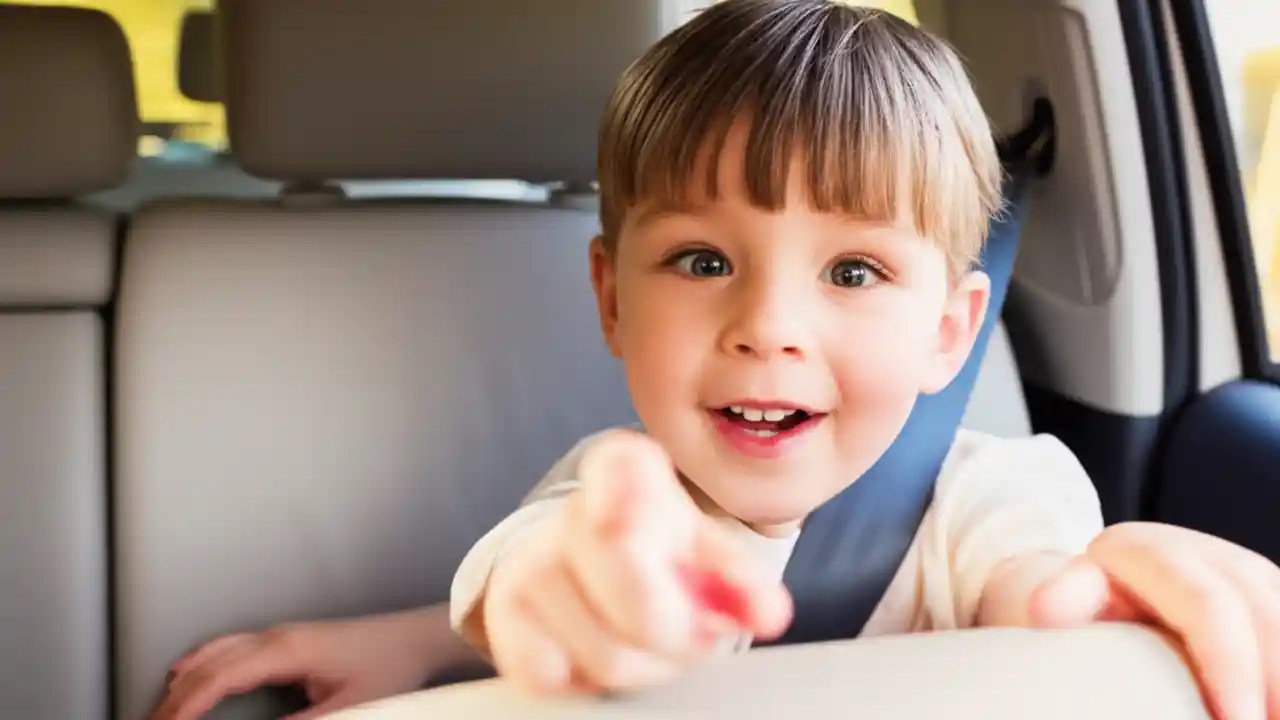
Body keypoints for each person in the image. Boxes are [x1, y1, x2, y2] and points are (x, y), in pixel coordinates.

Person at [154, 2, 1280, 719]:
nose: (765, 326)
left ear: (949, 327)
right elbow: (548, 577)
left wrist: (1098, 604)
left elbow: (1034, 587)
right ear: (610, 297)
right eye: (700, 260)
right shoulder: (613, 497)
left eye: (850, 273)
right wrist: (556, 614)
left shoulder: (1002, 492)